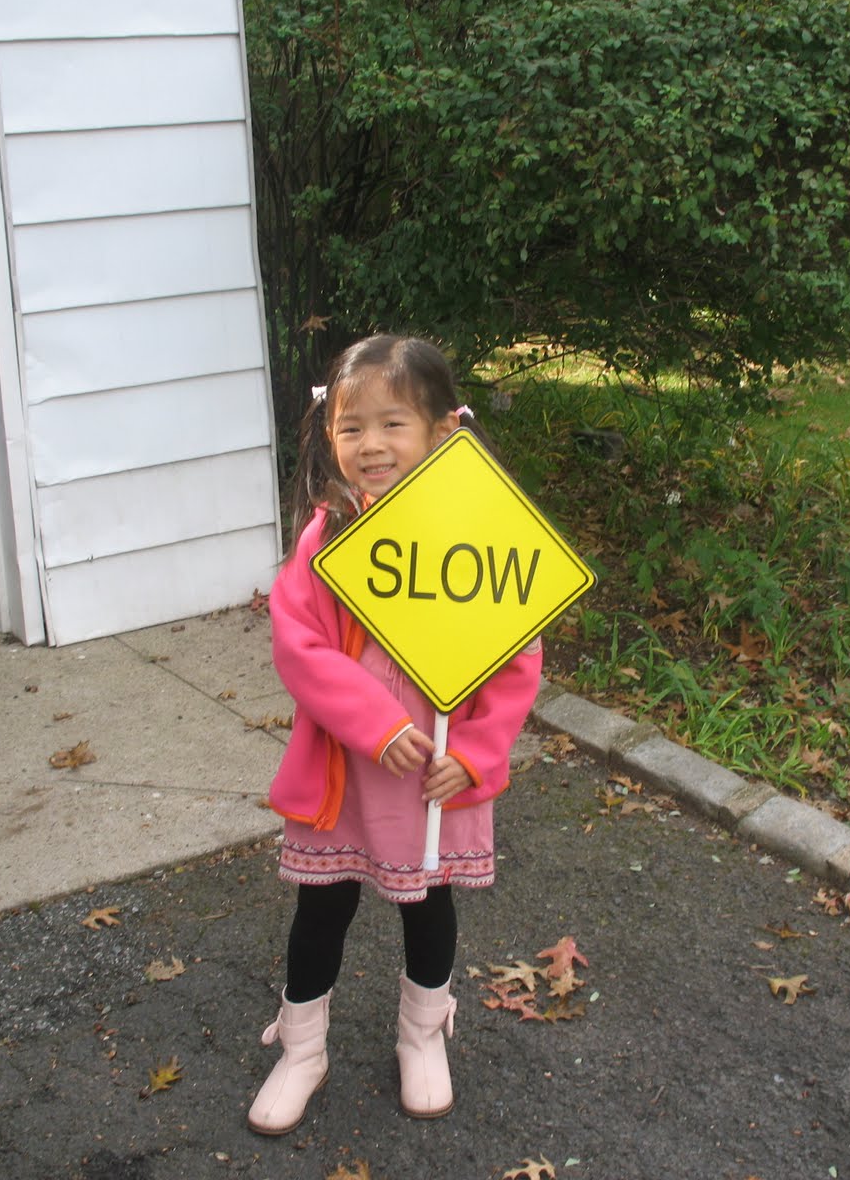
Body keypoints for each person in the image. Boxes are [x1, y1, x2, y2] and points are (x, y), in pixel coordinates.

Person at [249, 335, 542, 1135]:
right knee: (322, 906)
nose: (371, 445)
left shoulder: (480, 530)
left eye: (392, 424)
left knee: (429, 903)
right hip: (347, 767)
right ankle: (302, 1048)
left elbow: (517, 655)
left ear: (443, 430)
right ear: (330, 433)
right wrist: (374, 722)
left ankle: (423, 1034)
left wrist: (477, 752)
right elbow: (298, 641)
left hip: (432, 773)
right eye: (351, 428)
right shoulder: (329, 532)